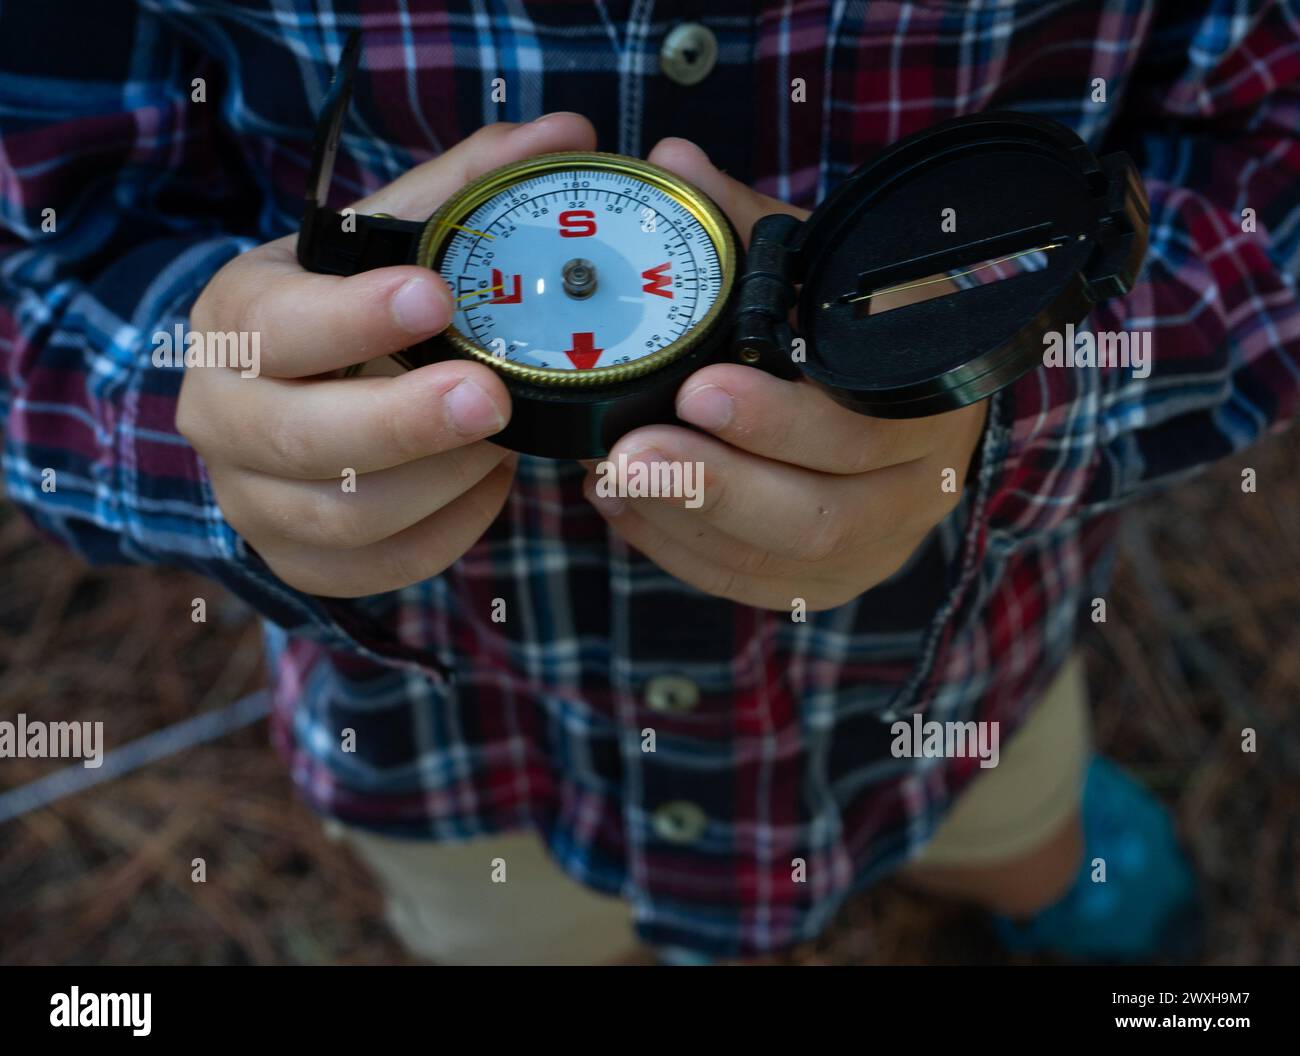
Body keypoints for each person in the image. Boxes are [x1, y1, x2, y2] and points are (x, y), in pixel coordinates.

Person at [1, 1, 1296, 964]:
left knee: (1002, 805)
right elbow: (41, 255)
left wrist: (986, 405)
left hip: (951, 667)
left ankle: (1034, 868)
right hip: (461, 736)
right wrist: (211, 402)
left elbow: (1269, 168)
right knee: (508, 935)